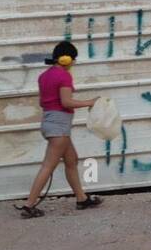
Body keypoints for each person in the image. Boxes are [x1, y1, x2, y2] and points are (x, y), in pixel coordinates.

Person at [16, 40, 103, 218]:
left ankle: (81, 198)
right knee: (48, 166)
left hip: (50, 121)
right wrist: (90, 102)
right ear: (66, 59)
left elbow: (44, 101)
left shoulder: (44, 76)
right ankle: (29, 205)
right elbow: (66, 102)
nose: (74, 63)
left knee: (71, 160)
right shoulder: (63, 76)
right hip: (59, 125)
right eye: (74, 60)